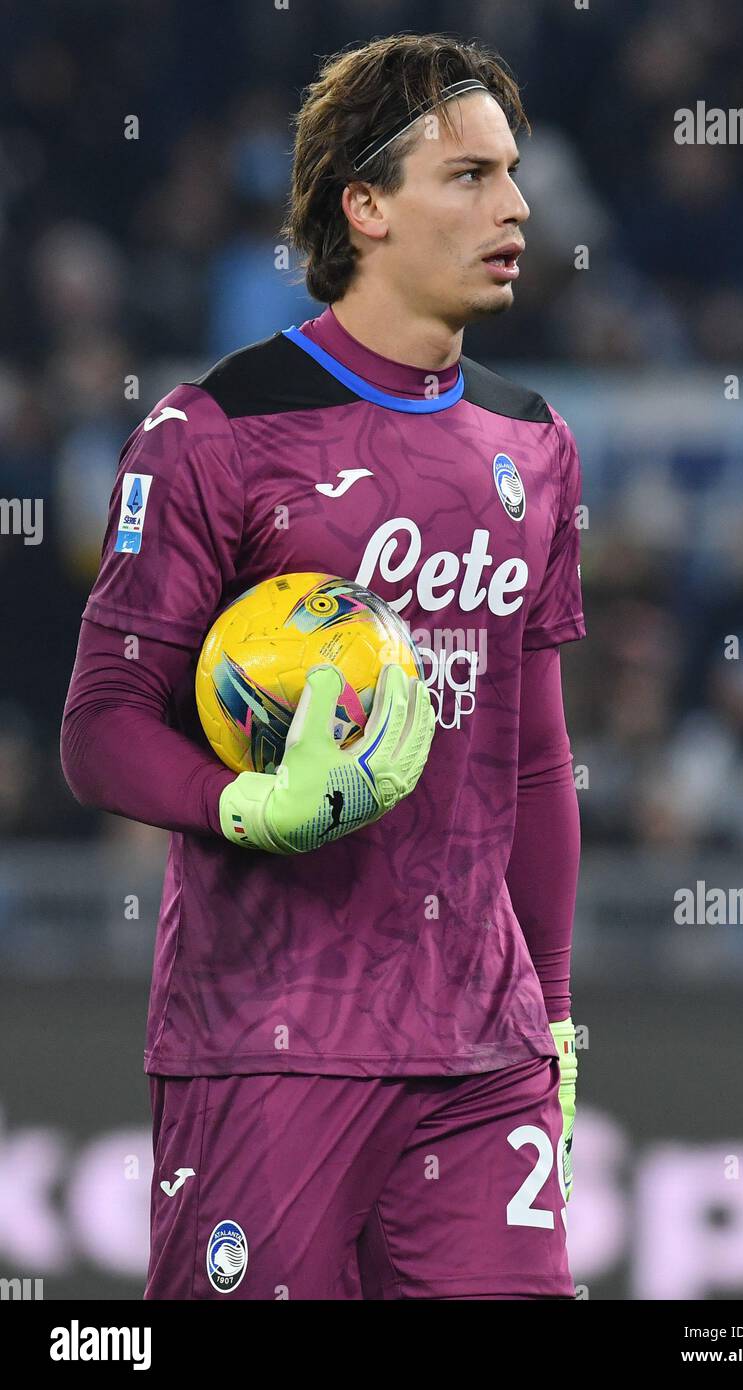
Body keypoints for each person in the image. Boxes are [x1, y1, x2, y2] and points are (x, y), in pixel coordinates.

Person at [61, 32, 585, 1300]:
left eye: (511, 175)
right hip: (266, 1046)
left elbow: (533, 757)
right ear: (364, 205)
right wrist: (241, 803)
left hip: (481, 1053)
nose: (514, 206)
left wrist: (552, 1009)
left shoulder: (535, 441)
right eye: (466, 176)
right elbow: (101, 722)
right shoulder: (212, 432)